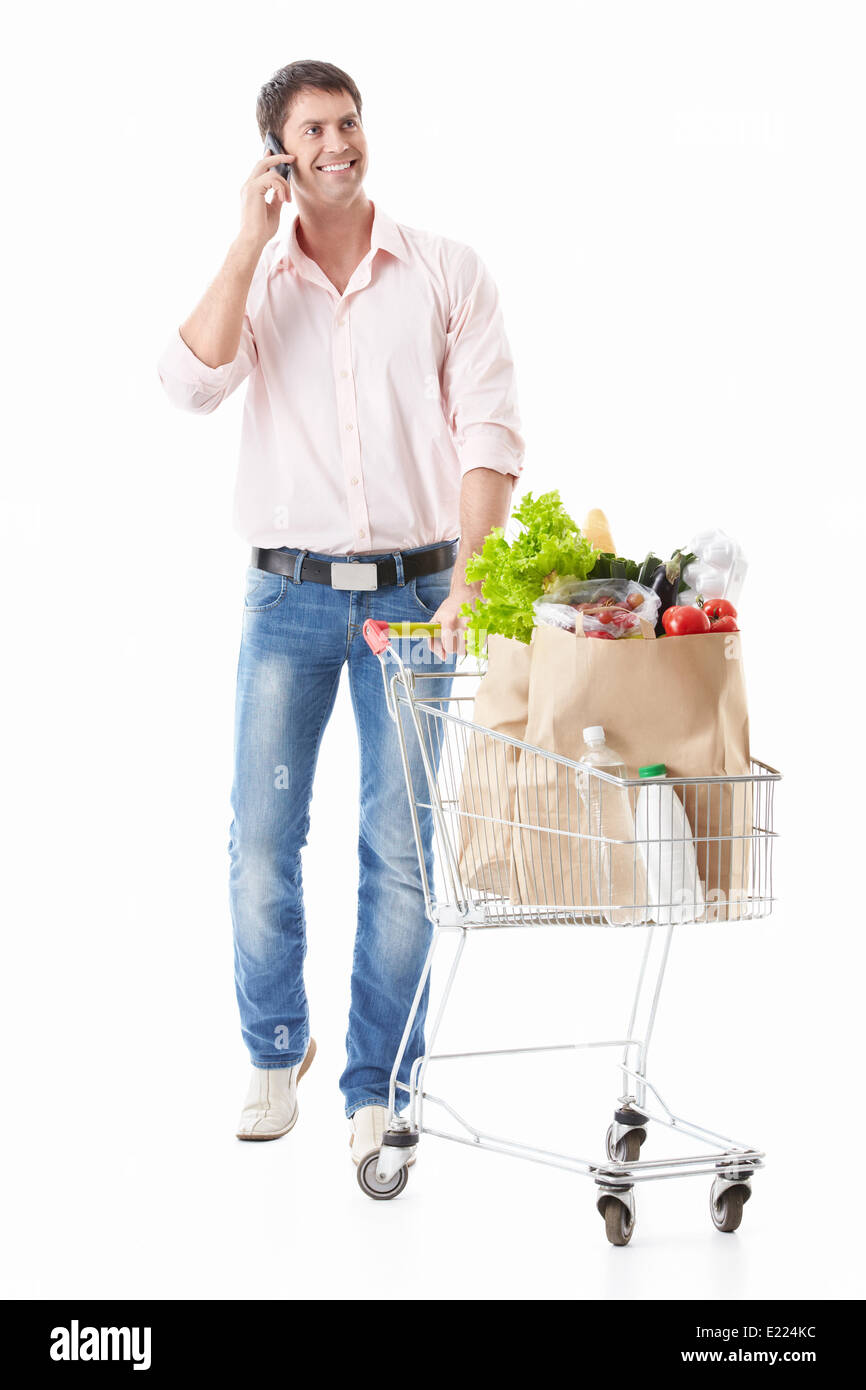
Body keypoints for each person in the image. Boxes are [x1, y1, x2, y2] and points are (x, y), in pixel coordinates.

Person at [157, 59, 524, 1171]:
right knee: (260, 839)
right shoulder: (258, 283)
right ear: (277, 151)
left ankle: (380, 1081)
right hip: (287, 598)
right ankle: (278, 1048)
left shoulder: (446, 271)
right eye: (312, 129)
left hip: (415, 600)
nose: (337, 143)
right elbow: (185, 384)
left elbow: (489, 433)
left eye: (348, 123)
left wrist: (467, 575)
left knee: (400, 848)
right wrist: (241, 244)